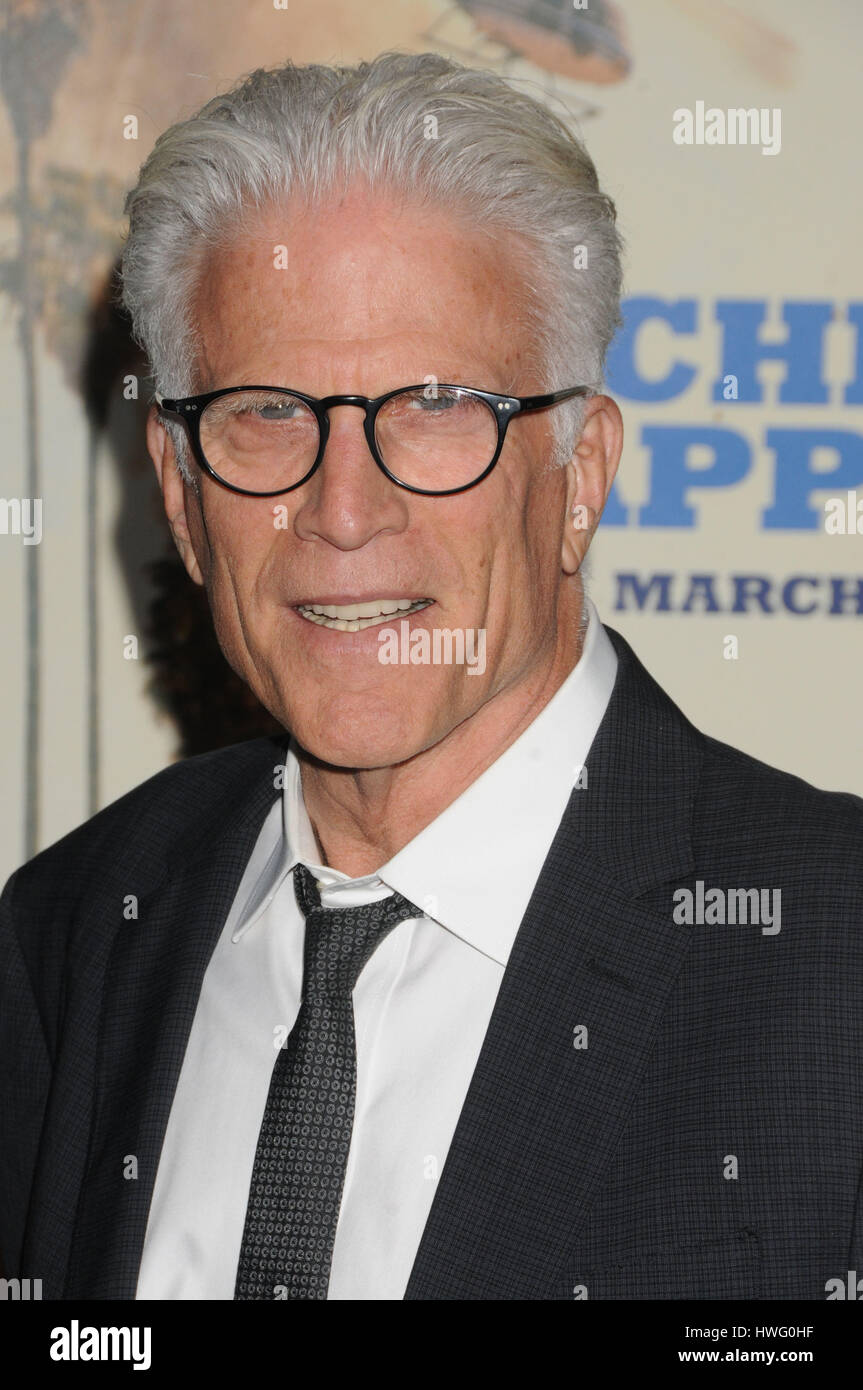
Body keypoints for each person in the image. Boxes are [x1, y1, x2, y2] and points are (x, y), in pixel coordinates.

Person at [1, 51, 861, 1302]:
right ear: (182, 499)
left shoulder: (830, 968)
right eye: (266, 412)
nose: (343, 510)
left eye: (438, 406)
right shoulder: (69, 937)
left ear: (579, 478)